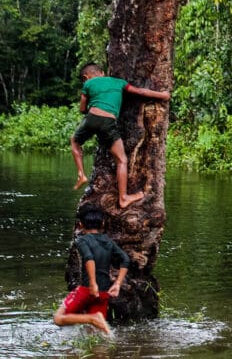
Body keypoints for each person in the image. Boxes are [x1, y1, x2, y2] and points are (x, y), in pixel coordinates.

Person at [72, 63, 170, 208]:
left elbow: (82, 109)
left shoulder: (88, 83)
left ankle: (81, 174)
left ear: (86, 77)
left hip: (91, 118)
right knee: (122, 160)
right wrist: (163, 95)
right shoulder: (119, 82)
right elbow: (140, 92)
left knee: (75, 142)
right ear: (102, 73)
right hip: (108, 122)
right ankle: (123, 198)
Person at [53, 206, 130, 335]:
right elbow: (125, 259)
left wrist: (92, 284)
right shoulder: (109, 242)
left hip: (87, 289)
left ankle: (91, 318)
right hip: (104, 292)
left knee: (58, 318)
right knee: (94, 334)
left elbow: (89, 258)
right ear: (103, 224)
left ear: (80, 224)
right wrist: (117, 284)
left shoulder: (81, 240)